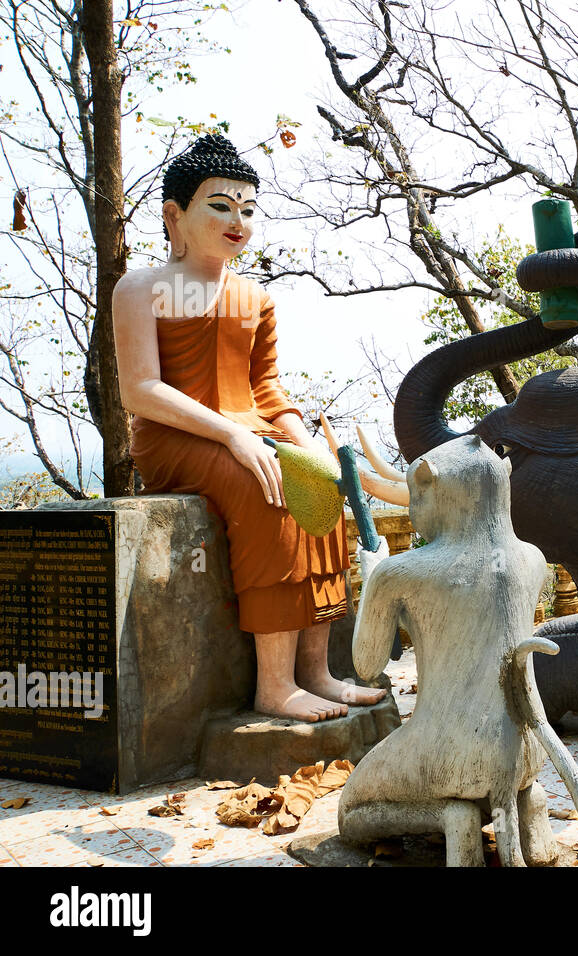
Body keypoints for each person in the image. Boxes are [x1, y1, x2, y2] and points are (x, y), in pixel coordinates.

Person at [112, 133, 387, 722]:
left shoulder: (253, 298)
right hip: (178, 435)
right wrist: (232, 435)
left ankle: (317, 670)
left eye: (248, 208)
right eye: (220, 205)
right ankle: (275, 684)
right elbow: (141, 390)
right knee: (269, 495)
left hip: (253, 426)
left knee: (321, 490)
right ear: (174, 215)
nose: (238, 220)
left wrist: (302, 440)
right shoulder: (140, 288)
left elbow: (265, 387)